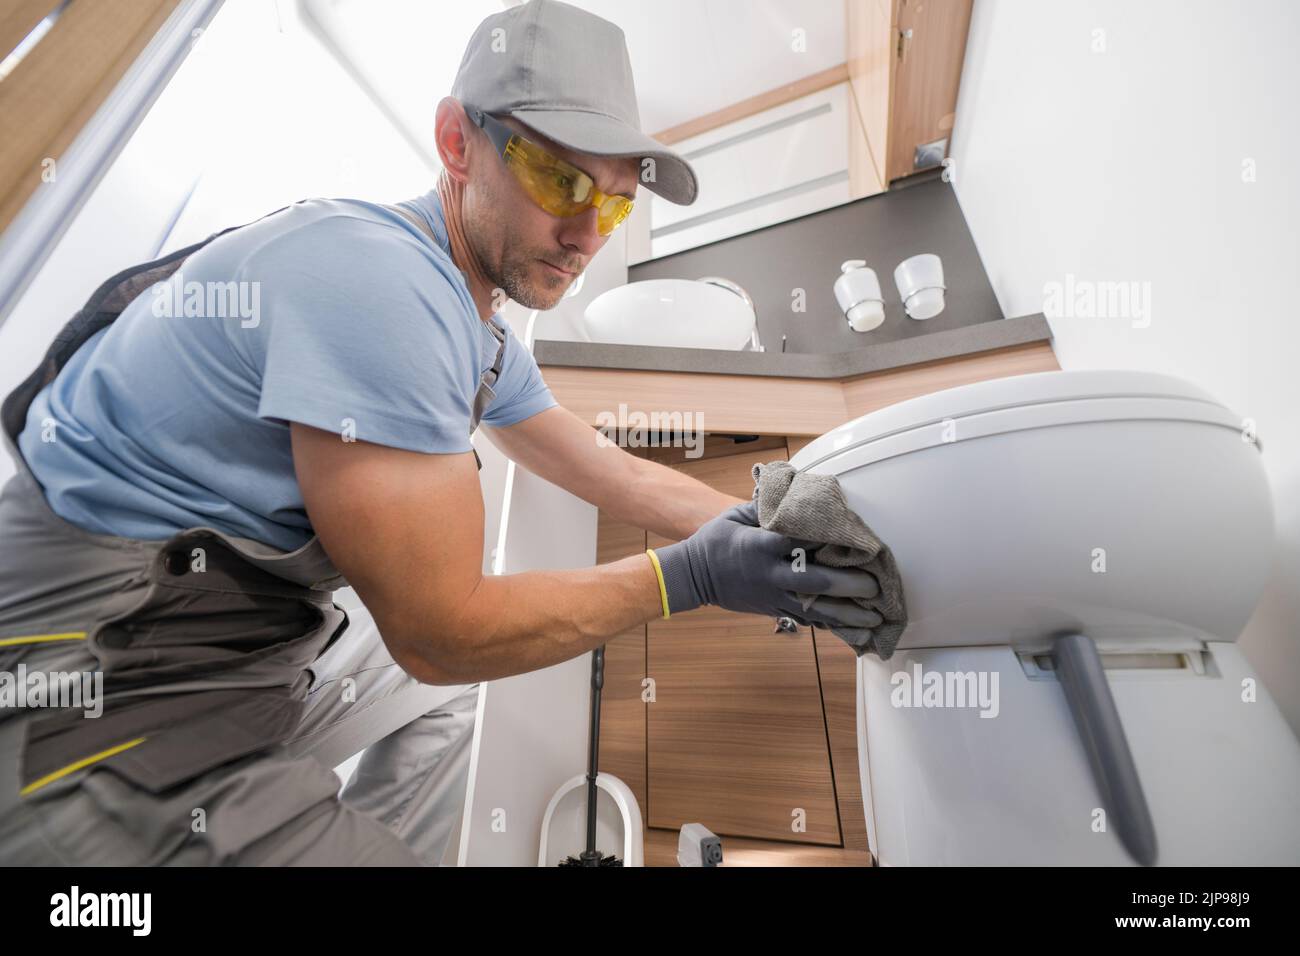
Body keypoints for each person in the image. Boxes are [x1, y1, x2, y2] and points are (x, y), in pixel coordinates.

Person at [0, 0, 882, 865]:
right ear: (458, 143)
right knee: (440, 664)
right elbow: (440, 633)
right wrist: (687, 577)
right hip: (85, 684)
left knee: (442, 704)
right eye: (561, 181)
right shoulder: (380, 281)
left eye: (612, 207)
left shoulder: (484, 335)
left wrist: (765, 525)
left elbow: (614, 473)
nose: (585, 238)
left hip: (237, 645)